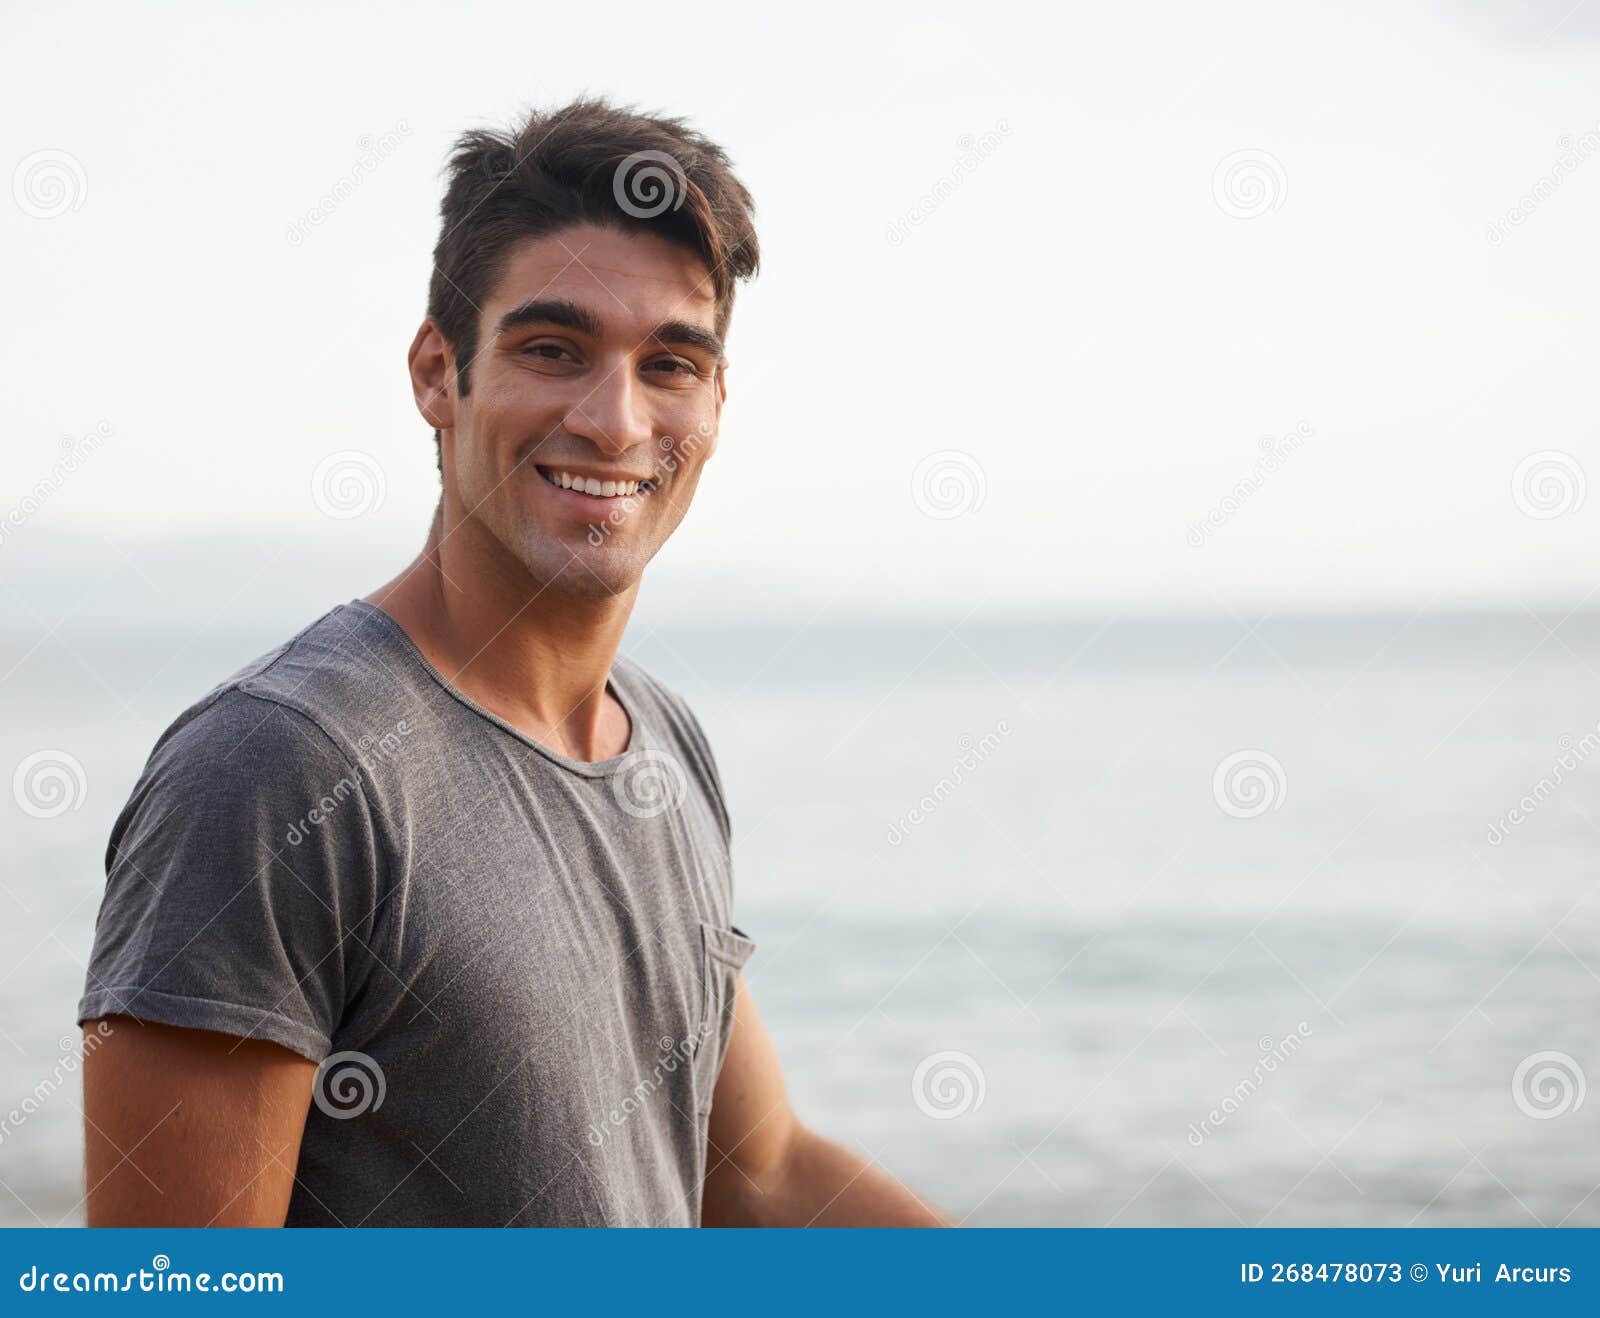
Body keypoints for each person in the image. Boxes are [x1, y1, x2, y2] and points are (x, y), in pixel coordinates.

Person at [76, 98, 948, 1228]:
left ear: (717, 404)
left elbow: (757, 1171)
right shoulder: (276, 769)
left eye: (670, 363)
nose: (614, 419)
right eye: (553, 349)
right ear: (440, 373)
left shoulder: (661, 743)